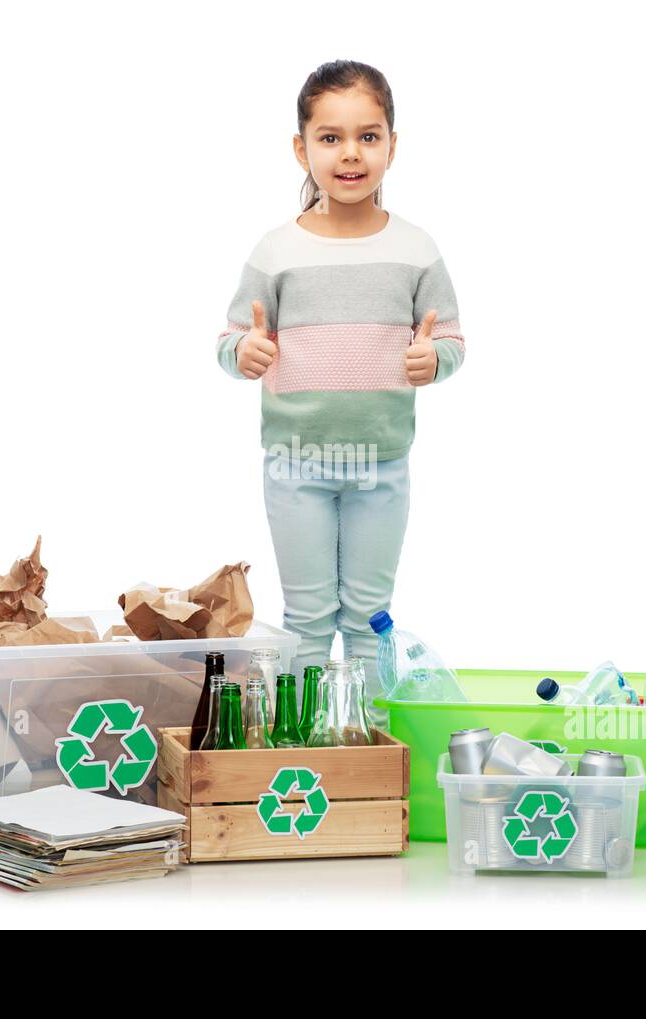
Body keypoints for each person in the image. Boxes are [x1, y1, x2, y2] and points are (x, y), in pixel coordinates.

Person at [214, 59, 466, 723]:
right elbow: (228, 342)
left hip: (380, 467)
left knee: (367, 619)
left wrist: (430, 360)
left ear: (391, 143)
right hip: (295, 465)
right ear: (302, 148)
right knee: (306, 616)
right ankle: (299, 743)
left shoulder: (417, 249)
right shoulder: (276, 251)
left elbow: (453, 344)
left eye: (368, 136)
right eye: (330, 137)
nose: (350, 153)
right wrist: (246, 351)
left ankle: (364, 745)